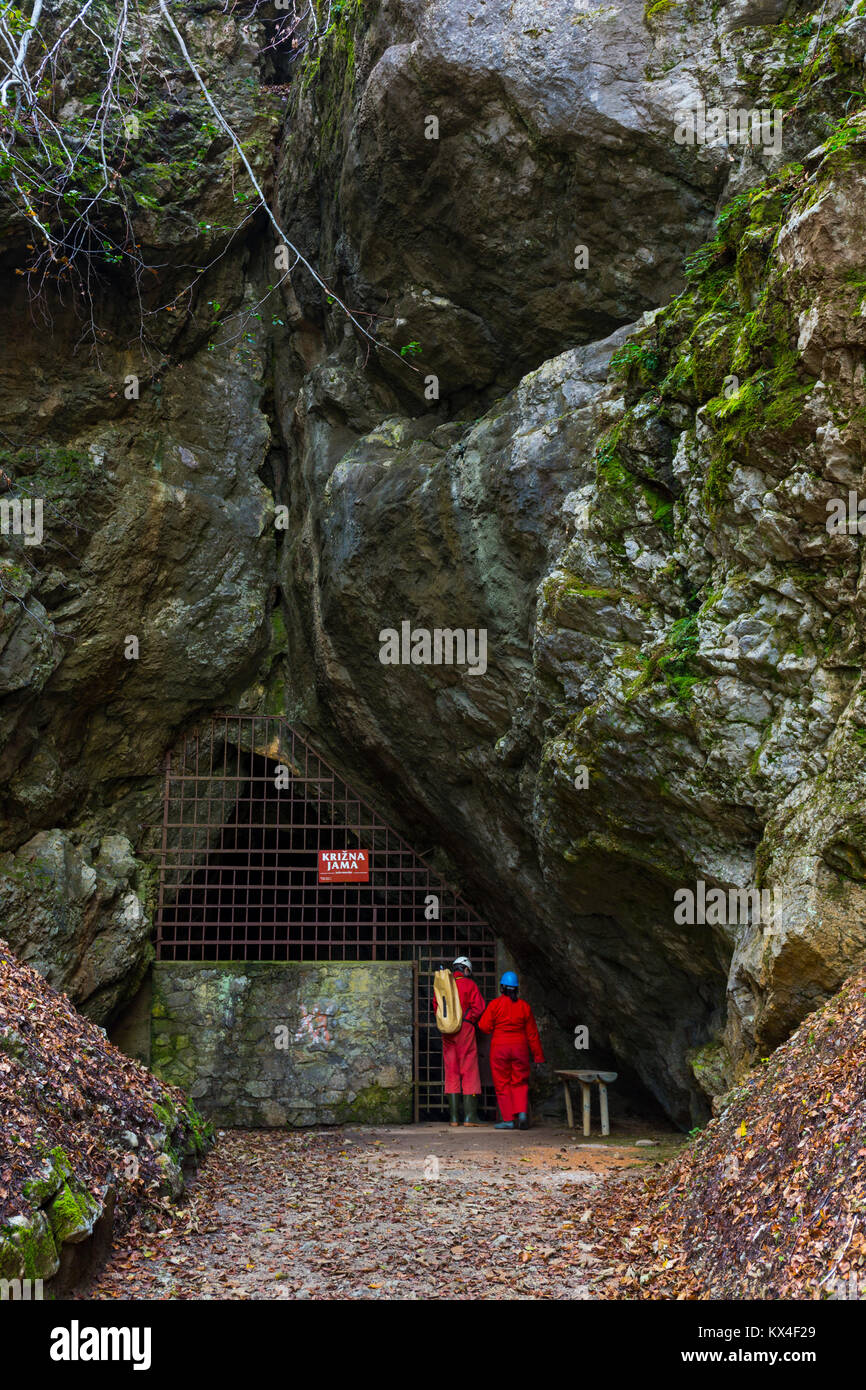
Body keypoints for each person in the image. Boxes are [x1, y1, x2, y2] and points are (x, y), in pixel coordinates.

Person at [478, 971, 545, 1130]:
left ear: (502, 988)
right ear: (516, 989)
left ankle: (508, 1120)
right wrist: (538, 1058)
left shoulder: (495, 1005)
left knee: (502, 1084)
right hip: (520, 1048)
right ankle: (522, 1113)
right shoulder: (524, 1007)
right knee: (520, 1081)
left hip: (500, 1048)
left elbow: (484, 1027)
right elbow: (532, 1034)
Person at [434, 956, 485, 1127]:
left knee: (451, 1071)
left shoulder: (443, 984)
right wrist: (468, 1018)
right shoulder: (470, 984)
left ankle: (454, 1118)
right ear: (466, 970)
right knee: (469, 1069)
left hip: (447, 1031)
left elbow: (436, 1006)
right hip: (465, 1029)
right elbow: (479, 1007)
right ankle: (470, 1117)